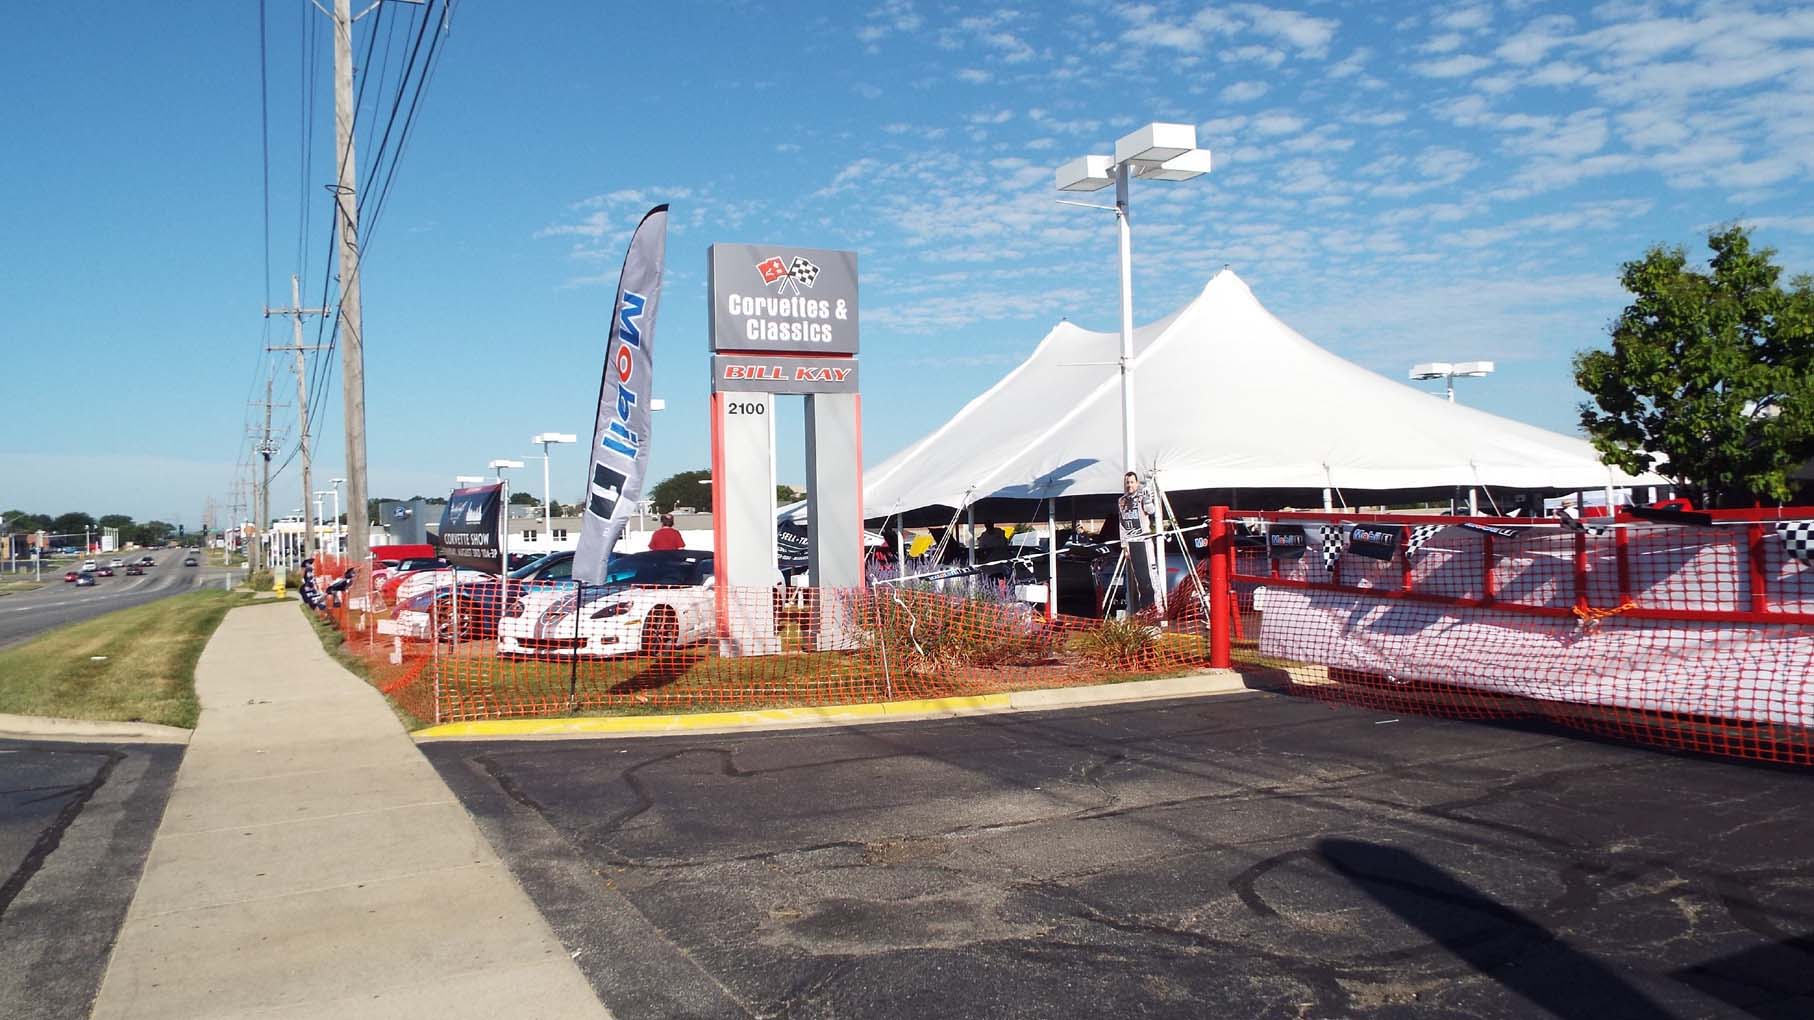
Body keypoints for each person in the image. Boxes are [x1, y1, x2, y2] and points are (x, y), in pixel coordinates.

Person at [1117, 471, 1159, 612]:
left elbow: (1151, 510)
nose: (1129, 485)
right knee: (1139, 579)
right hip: (1131, 542)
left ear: (1137, 483)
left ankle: (1156, 608)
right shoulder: (1121, 501)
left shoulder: (1142, 496)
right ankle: (1145, 609)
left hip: (1144, 540)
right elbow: (1122, 524)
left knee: (1150, 577)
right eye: (1127, 482)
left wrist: (1147, 499)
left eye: (1132, 482)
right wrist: (1124, 545)